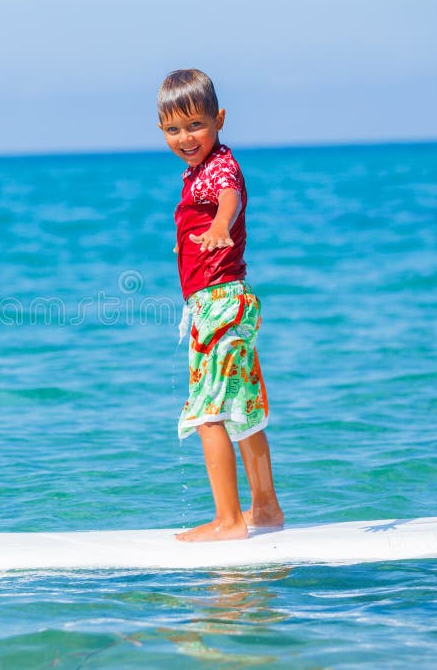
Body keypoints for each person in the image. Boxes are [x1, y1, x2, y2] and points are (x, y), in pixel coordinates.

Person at [158, 68, 284, 541]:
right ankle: (266, 509)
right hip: (228, 302)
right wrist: (189, 244)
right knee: (242, 410)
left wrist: (221, 226)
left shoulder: (220, 168)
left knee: (208, 412)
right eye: (174, 129)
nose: (186, 138)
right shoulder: (196, 175)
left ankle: (229, 521)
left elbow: (229, 197)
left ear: (220, 119)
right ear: (161, 130)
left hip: (219, 306)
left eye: (196, 125)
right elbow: (206, 212)